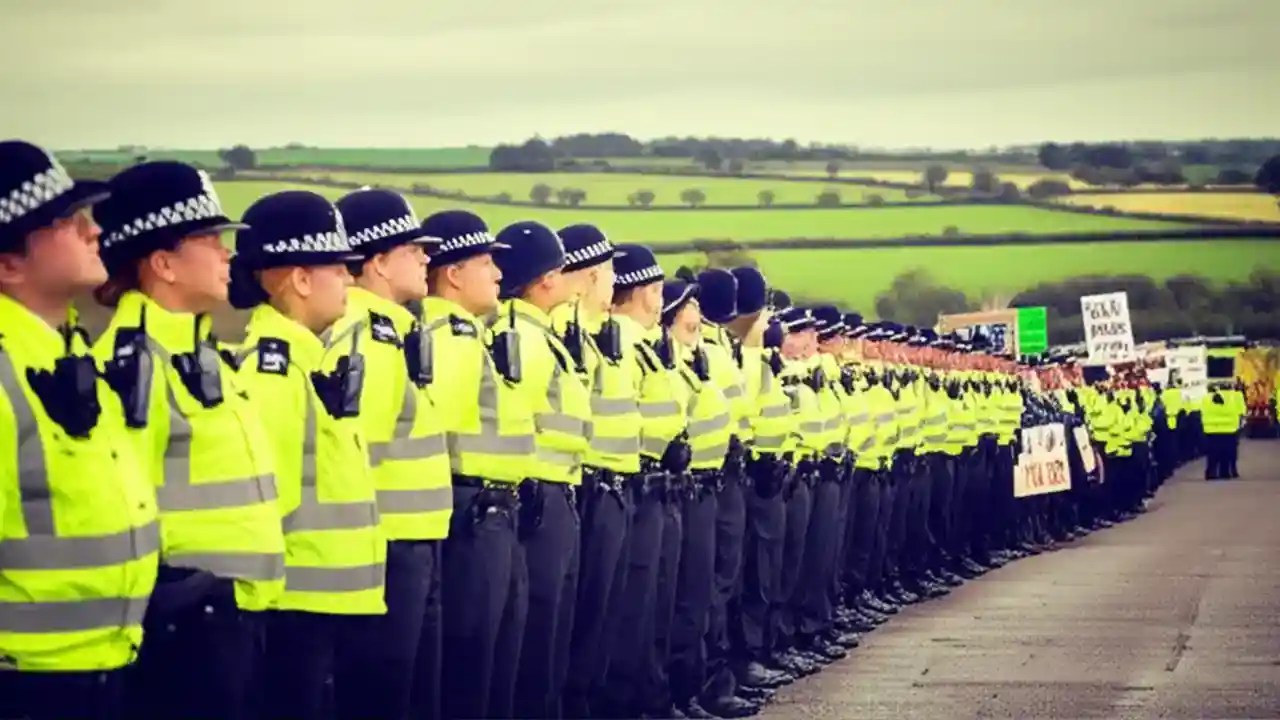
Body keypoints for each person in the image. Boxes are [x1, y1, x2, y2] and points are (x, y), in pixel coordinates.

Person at [91, 161, 285, 720]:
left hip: (239, 614)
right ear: (163, 263)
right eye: (208, 239)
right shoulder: (134, 365)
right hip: (191, 627)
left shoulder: (200, 354)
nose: (227, 254)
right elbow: (123, 503)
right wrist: (183, 592)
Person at [0, 140, 159, 720]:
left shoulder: (69, 353)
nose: (95, 232)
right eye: (68, 222)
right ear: (8, 263)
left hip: (101, 665)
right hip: (29, 685)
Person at [228, 190, 387, 720]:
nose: (349, 278)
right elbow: (270, 504)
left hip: (330, 604)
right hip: (301, 609)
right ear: (299, 279)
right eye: (337, 267)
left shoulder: (307, 359)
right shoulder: (275, 372)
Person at [330, 189, 450, 720]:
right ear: (377, 261)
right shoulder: (367, 337)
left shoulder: (393, 330)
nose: (427, 258)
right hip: (388, 545)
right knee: (385, 692)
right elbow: (357, 454)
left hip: (411, 539)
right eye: (413, 249)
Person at [418, 210, 535, 720]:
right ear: (453, 274)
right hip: (471, 510)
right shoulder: (448, 335)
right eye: (486, 262)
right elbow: (433, 430)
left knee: (497, 655)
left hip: (492, 508)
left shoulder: (468, 332)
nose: (499, 275)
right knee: (474, 661)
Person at [490, 221, 591, 720]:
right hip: (540, 495)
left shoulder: (537, 334)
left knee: (553, 625)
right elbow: (518, 421)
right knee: (540, 628)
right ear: (547, 279)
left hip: (557, 491)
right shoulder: (522, 338)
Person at [552, 224, 641, 720]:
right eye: (607, 269)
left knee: (604, 614)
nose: (614, 280)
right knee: (580, 620)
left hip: (608, 484)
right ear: (586, 276)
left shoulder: (598, 335)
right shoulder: (568, 334)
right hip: (583, 486)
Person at [600, 244, 687, 718]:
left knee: (652, 603)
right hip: (638, 483)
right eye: (655, 290)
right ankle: (634, 702)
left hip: (657, 482)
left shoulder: (644, 343)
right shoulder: (623, 343)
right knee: (634, 609)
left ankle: (651, 697)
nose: (660, 301)